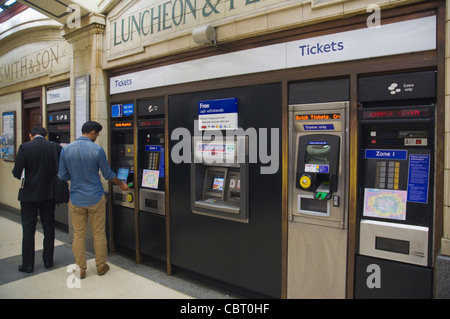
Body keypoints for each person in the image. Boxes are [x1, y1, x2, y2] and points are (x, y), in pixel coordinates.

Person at [59, 121, 129, 279]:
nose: (97, 137)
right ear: (92, 132)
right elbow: (108, 174)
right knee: (98, 234)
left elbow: (62, 176)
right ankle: (101, 266)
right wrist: (121, 184)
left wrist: (76, 178)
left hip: (76, 197)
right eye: (96, 134)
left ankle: (81, 269)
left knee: (78, 235)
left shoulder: (66, 150)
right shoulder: (97, 150)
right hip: (95, 197)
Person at [12, 126, 61, 273]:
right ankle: (48, 261)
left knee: (28, 229)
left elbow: (16, 172)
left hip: (29, 196)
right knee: (49, 228)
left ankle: (28, 265)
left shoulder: (25, 147)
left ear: (30, 135)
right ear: (45, 136)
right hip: (48, 195)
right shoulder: (55, 148)